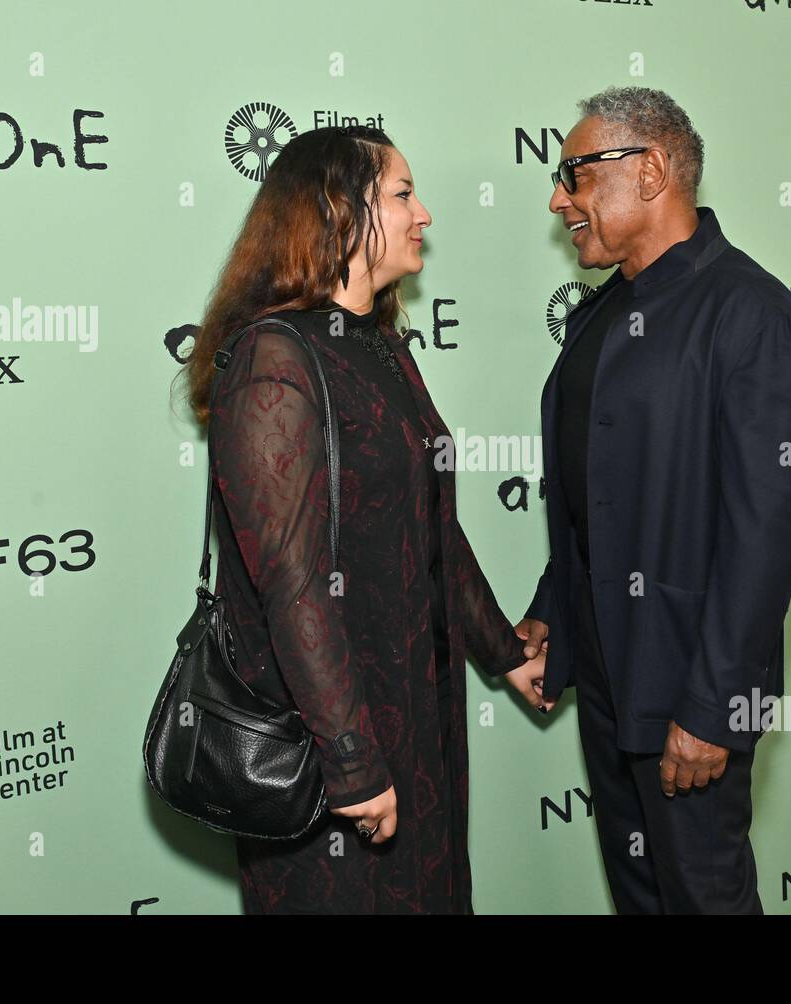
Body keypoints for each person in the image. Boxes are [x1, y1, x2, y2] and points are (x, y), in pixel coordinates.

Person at [177, 125, 548, 913]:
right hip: (326, 739)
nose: (425, 216)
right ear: (341, 215)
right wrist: (348, 757)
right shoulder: (273, 359)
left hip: (416, 707)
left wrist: (506, 651)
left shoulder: (381, 346)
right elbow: (292, 577)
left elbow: (434, 531)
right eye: (404, 195)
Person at [515, 87, 791, 914]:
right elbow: (597, 492)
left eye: (575, 174)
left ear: (649, 170)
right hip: (609, 675)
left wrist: (714, 706)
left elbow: (768, 530)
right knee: (641, 897)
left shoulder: (751, 312)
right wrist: (554, 608)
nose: (559, 199)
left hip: (690, 682)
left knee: (702, 899)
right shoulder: (600, 316)